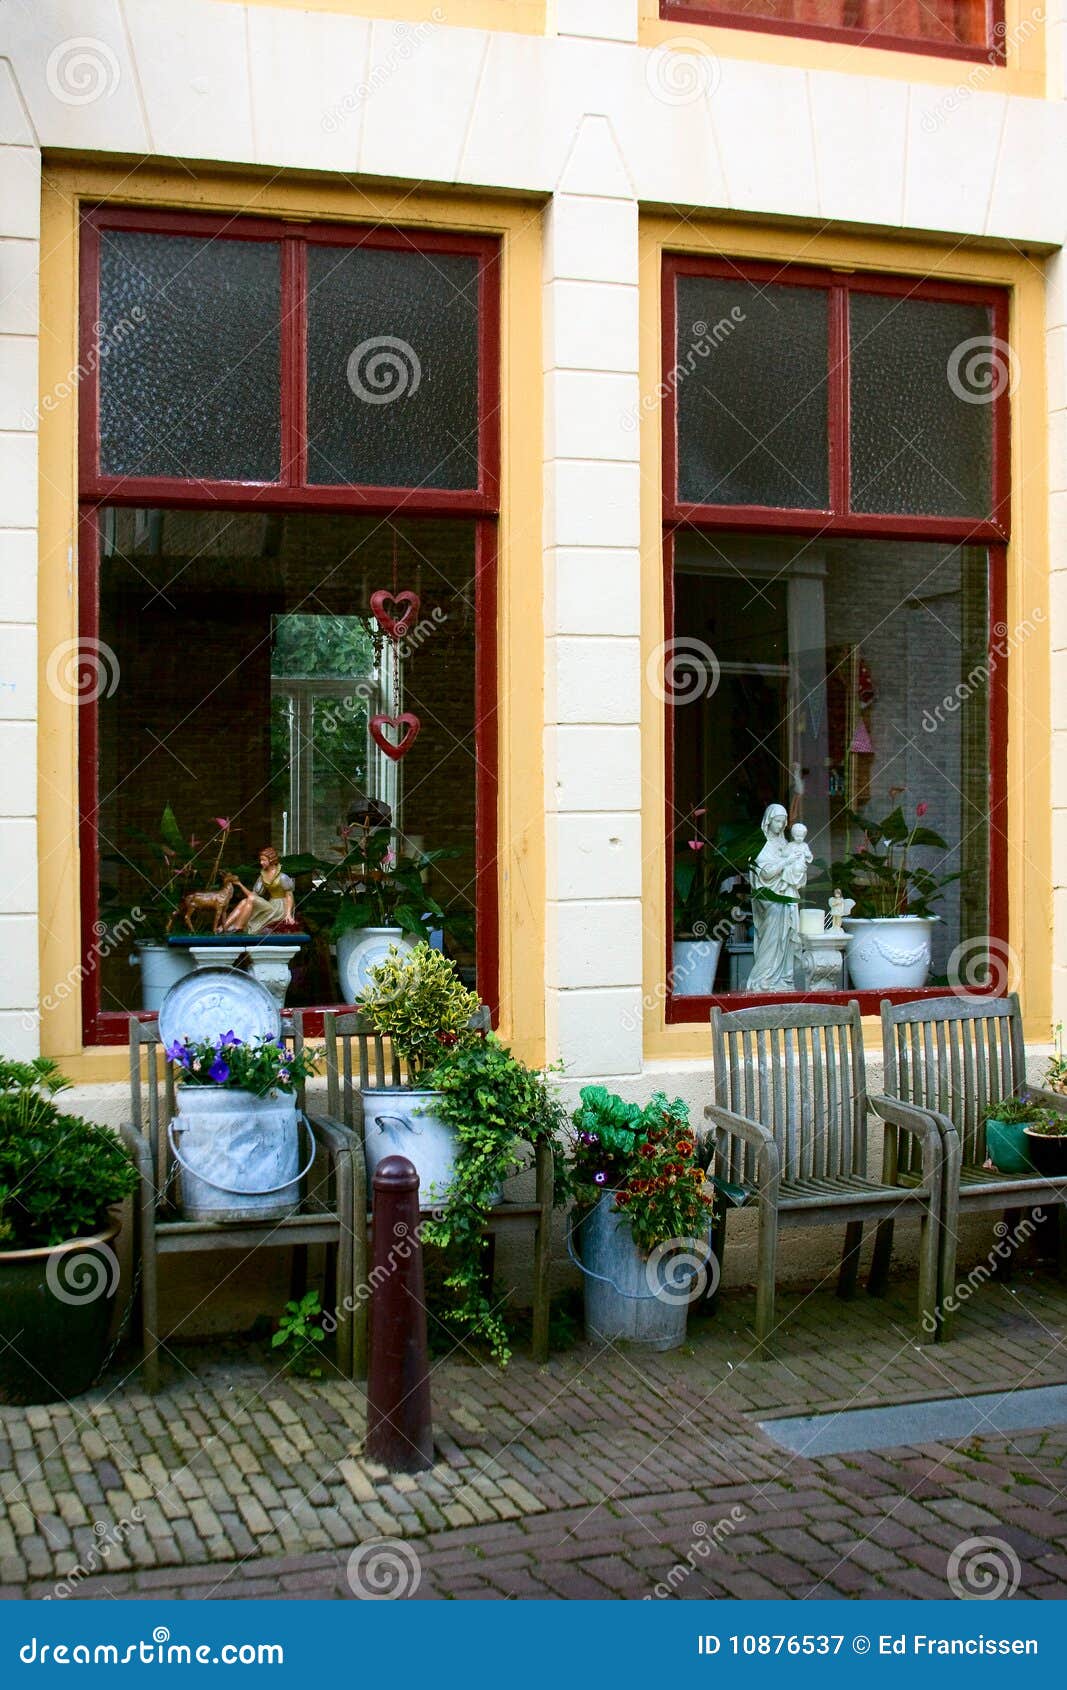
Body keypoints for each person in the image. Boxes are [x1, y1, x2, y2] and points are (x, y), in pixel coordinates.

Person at [747, 803, 801, 993]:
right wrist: (786, 861)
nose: (781, 825)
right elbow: (766, 873)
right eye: (777, 821)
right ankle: (763, 977)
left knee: (786, 935)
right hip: (768, 899)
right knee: (772, 933)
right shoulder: (760, 843)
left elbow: (794, 871)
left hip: (784, 894)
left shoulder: (785, 843)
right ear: (769, 821)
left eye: (783, 822)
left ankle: (784, 978)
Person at [224, 846, 297, 934]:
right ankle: (224, 926)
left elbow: (289, 896)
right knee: (244, 901)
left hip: (280, 907)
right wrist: (240, 884)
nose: (261, 862)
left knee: (250, 899)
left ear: (271, 860)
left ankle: (238, 926)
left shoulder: (282, 877)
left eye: (264, 860)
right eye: (260, 860)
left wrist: (288, 914)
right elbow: (253, 895)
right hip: (271, 904)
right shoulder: (263, 876)